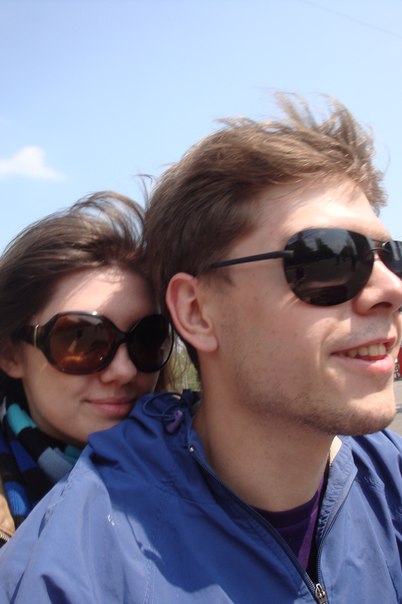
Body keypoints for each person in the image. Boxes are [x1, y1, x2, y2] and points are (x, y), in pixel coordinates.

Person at [0, 97, 401, 604]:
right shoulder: (68, 563)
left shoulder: (384, 475)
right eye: (326, 259)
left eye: (148, 338)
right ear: (194, 311)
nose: (391, 288)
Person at [0, 191, 173, 547]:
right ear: (11, 355)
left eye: (146, 338)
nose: (124, 371)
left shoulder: (214, 478)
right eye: (82, 338)